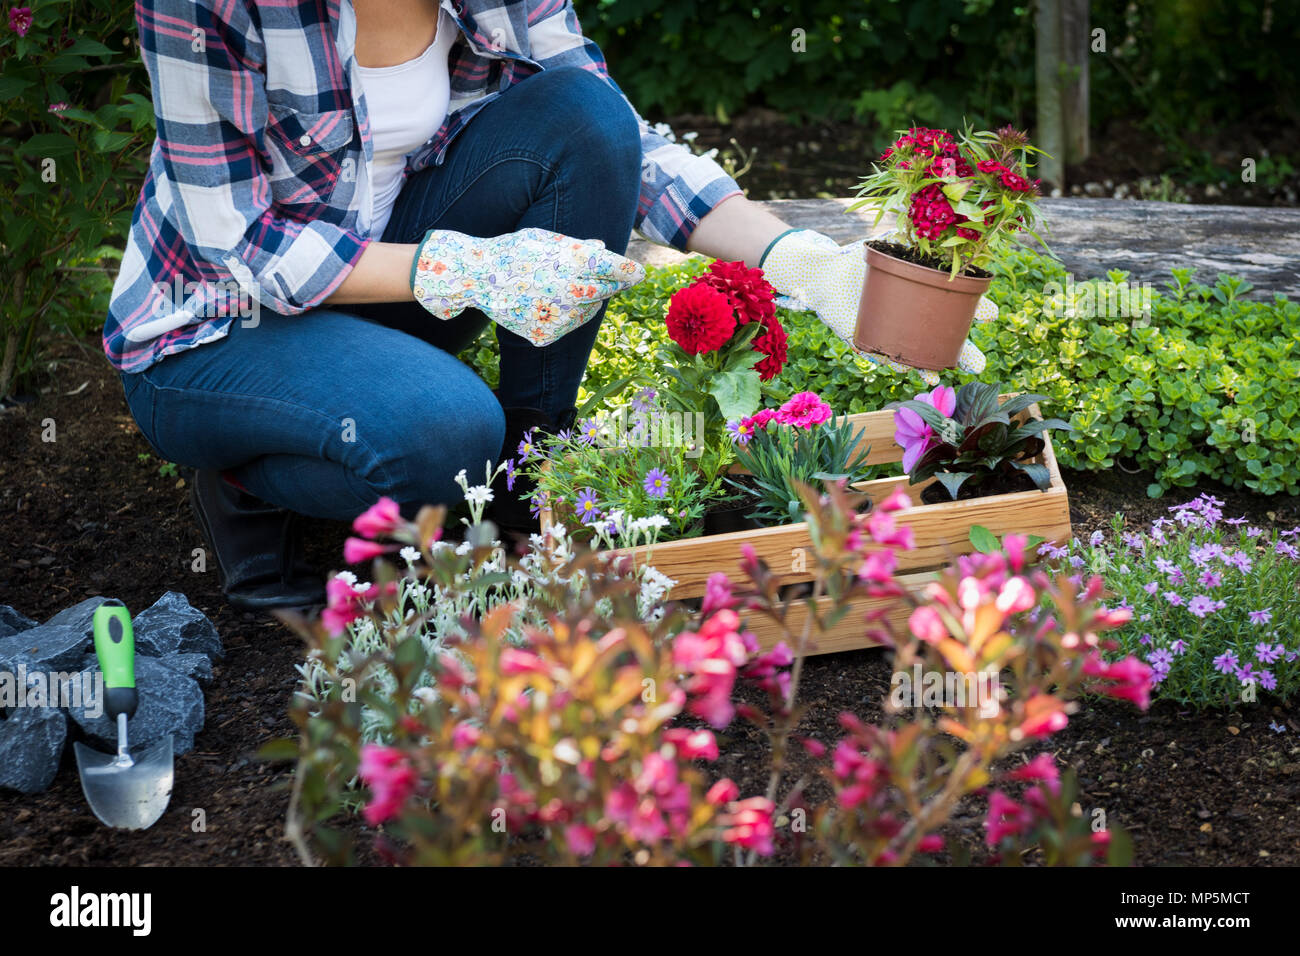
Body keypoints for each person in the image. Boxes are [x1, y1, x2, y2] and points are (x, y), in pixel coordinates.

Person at [105, 0, 993, 611]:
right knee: (448, 435)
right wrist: (459, 270)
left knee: (582, 115)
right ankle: (243, 473)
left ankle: (532, 478)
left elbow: (618, 141)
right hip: (218, 330)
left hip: (386, 287)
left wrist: (797, 260)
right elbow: (242, 242)